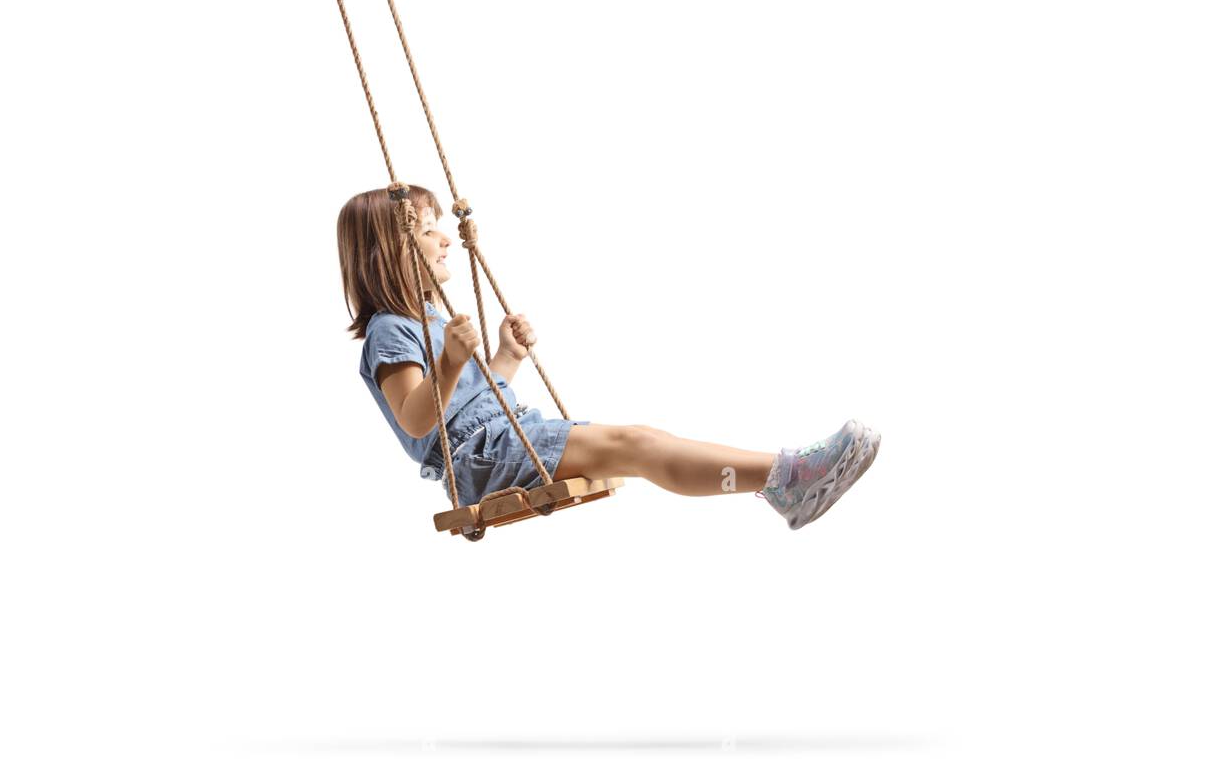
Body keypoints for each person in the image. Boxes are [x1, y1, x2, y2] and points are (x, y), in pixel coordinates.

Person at [338, 186, 879, 530]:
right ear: (392, 245)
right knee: (637, 444)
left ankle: (779, 483)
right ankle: (785, 477)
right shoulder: (391, 329)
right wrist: (453, 361)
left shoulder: (433, 318)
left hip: (503, 438)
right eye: (429, 229)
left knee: (640, 441)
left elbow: (467, 403)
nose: (445, 239)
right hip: (482, 458)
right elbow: (416, 421)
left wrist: (504, 357)